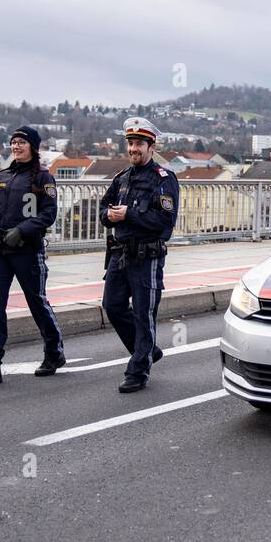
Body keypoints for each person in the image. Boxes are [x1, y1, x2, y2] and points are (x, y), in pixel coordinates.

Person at [0, 126, 66, 387]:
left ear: (33, 147)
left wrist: (22, 230)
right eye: (13, 143)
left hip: (27, 250)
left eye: (22, 143)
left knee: (37, 303)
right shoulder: (2, 176)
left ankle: (54, 352)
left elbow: (48, 214)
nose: (16, 147)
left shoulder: (43, 178)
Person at [100, 117, 179, 393]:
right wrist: (109, 216)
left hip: (147, 257)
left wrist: (129, 215)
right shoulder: (121, 179)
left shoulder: (164, 180)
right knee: (112, 306)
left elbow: (165, 223)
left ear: (151, 146)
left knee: (144, 314)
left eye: (139, 144)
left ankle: (138, 370)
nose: (133, 149)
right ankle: (146, 350)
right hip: (120, 255)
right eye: (130, 143)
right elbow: (103, 211)